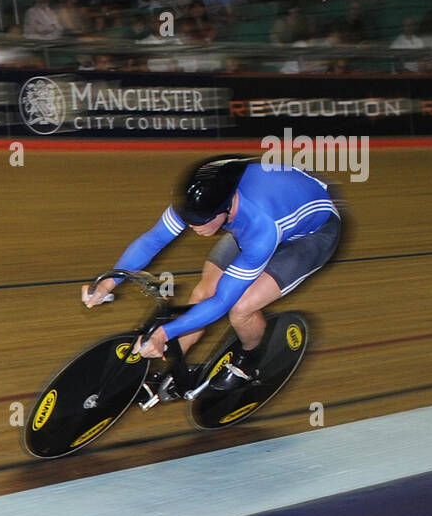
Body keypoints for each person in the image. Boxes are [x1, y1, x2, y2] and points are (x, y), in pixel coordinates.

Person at [83, 156, 341, 391]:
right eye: (189, 220)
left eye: (201, 222)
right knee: (202, 293)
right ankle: (165, 372)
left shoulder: (261, 229)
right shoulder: (200, 202)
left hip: (310, 236)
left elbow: (223, 301)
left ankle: (251, 360)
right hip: (261, 213)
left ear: (226, 209)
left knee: (240, 308)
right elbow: (152, 241)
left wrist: (163, 333)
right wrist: (109, 282)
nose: (194, 227)